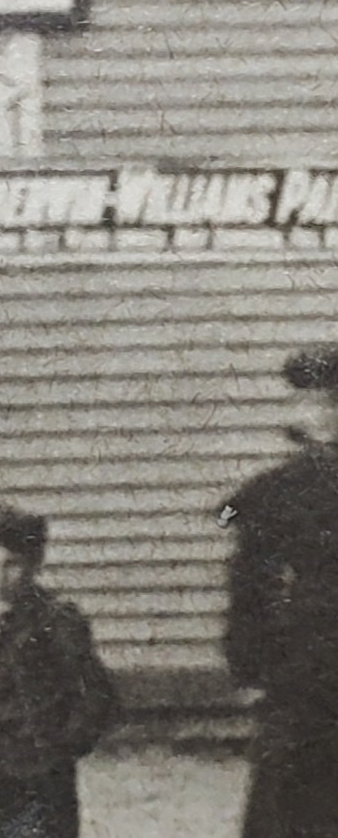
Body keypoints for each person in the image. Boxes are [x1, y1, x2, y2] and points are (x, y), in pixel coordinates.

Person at [0, 503, 118, 838]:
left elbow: (97, 696)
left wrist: (56, 748)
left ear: (34, 563)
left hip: (40, 778)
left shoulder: (55, 621)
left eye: (11, 564)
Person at [224, 347, 338, 838]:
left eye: (334, 402)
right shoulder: (272, 493)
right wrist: (249, 664)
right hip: (301, 674)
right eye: (314, 403)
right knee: (287, 806)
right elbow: (247, 583)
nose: (325, 416)